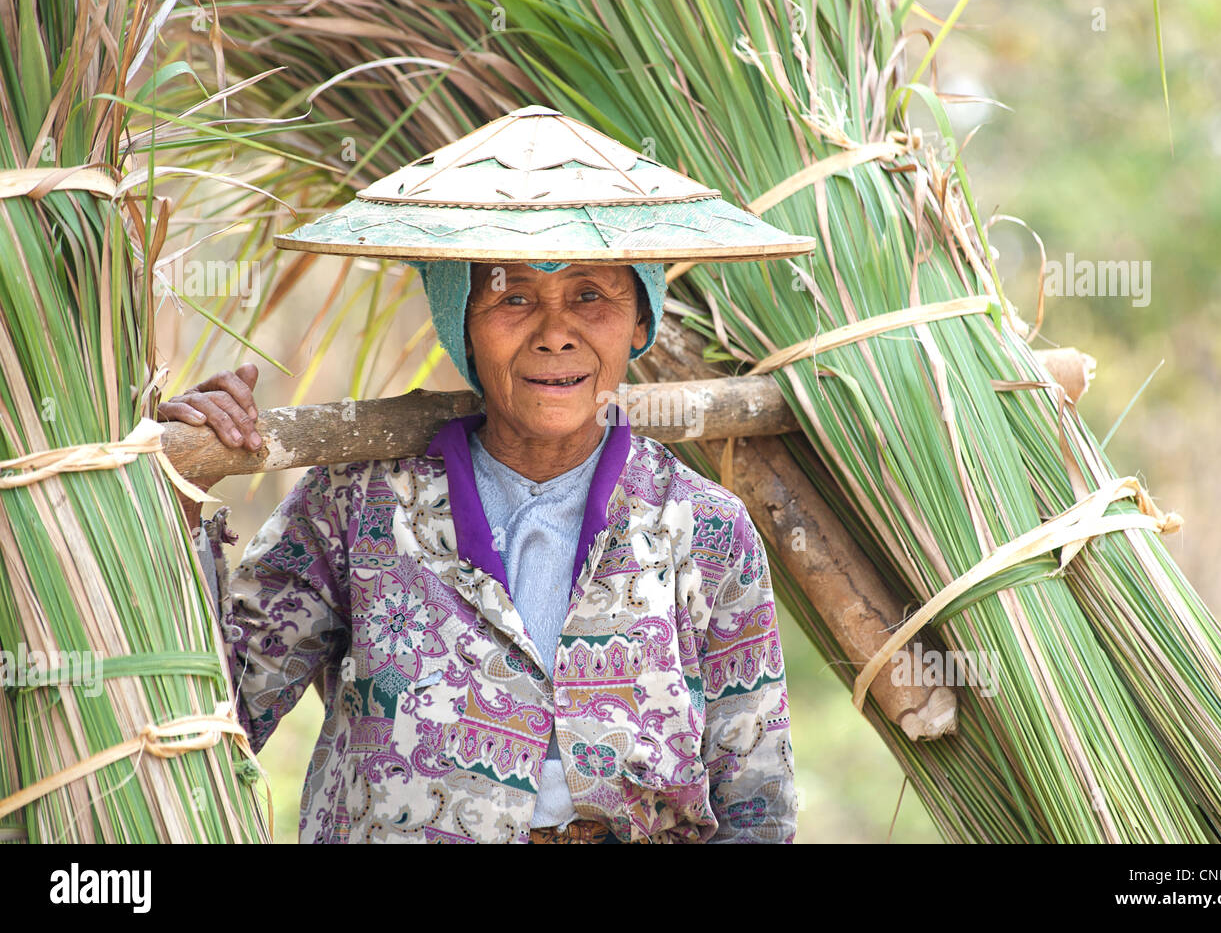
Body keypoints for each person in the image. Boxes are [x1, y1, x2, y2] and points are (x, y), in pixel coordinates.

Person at [162, 106, 811, 844]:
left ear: (640, 322)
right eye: (513, 297)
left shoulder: (705, 529)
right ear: (459, 320)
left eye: (591, 294)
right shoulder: (357, 508)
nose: (555, 330)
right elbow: (218, 703)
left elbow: (758, 806)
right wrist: (173, 496)